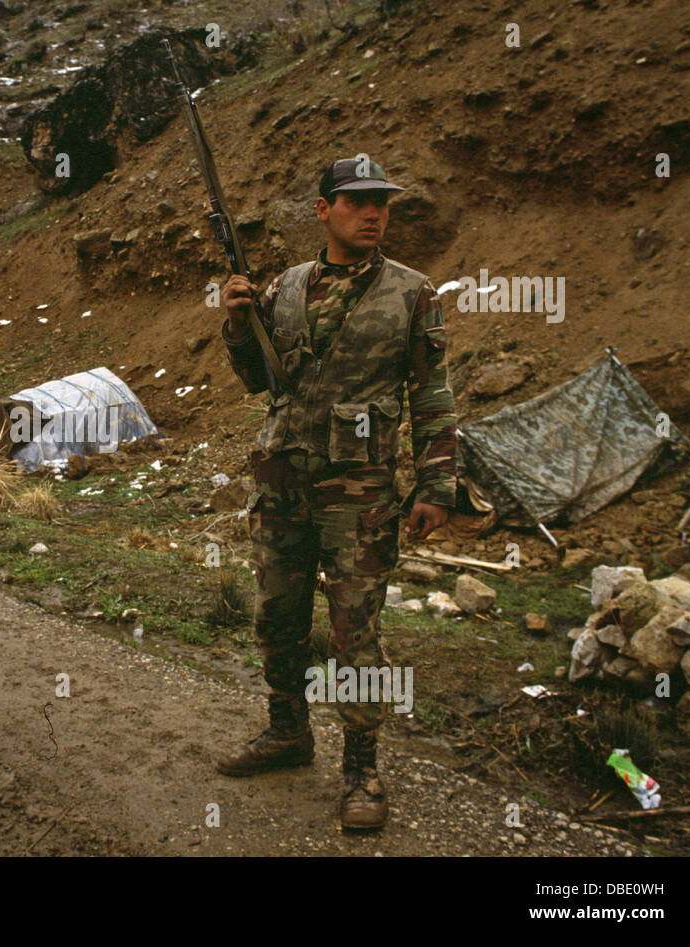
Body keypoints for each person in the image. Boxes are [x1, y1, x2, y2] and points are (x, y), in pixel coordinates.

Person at [217, 156, 458, 831]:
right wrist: (238, 323)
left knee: (357, 632)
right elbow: (257, 381)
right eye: (357, 202)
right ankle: (288, 730)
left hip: (360, 491)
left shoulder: (414, 292)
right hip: (282, 477)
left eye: (381, 201)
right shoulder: (286, 287)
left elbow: (432, 395)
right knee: (277, 614)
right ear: (323, 210)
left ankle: (362, 769)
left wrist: (438, 481)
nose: (374, 212)